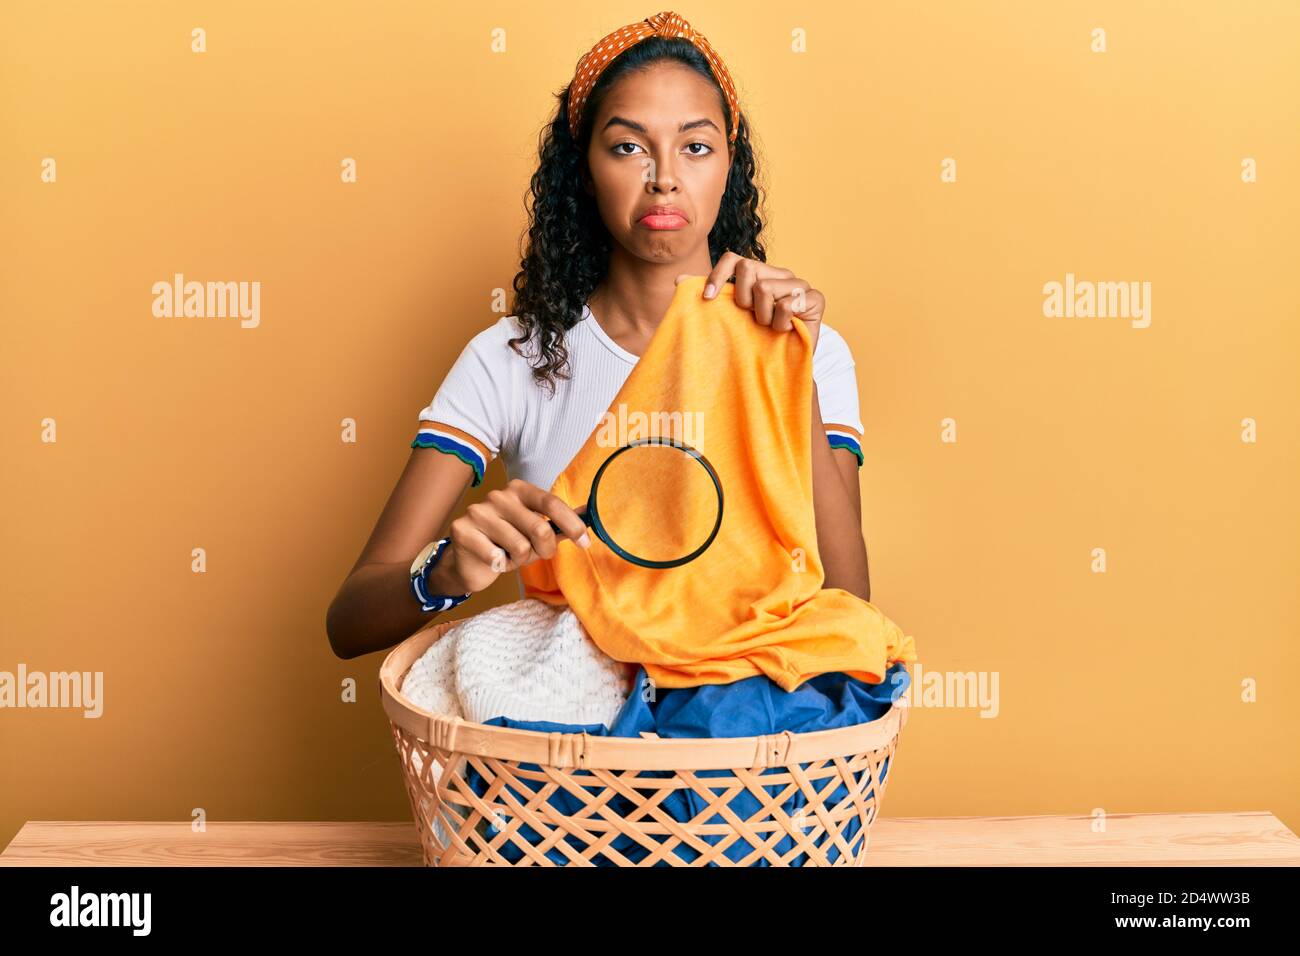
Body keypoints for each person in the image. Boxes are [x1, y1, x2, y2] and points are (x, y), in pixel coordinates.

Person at [326, 12, 871, 661]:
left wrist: (790, 364)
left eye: (695, 146)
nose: (663, 176)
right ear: (584, 171)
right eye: (627, 147)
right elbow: (349, 624)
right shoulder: (512, 357)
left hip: (747, 741)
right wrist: (443, 572)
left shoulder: (810, 348)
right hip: (567, 742)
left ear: (730, 164)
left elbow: (851, 606)